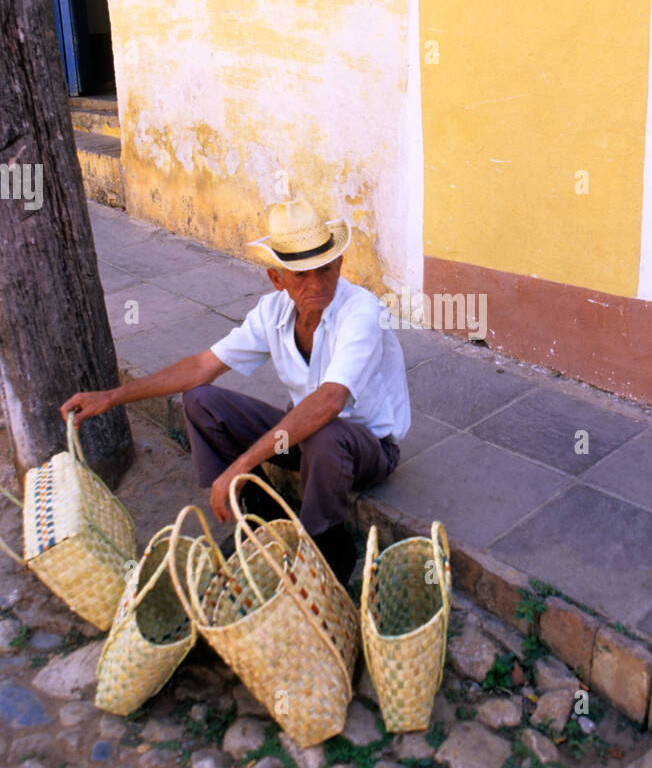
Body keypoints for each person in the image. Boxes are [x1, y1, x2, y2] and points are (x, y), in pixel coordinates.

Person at [61, 196, 410, 586]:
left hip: (364, 451)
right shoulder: (272, 312)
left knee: (324, 432)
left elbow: (329, 402)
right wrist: (110, 397)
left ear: (340, 264)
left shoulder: (361, 312)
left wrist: (240, 462)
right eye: (301, 275)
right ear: (277, 279)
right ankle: (259, 512)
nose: (317, 284)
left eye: (325, 269)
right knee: (201, 400)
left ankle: (325, 542)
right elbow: (200, 367)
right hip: (300, 441)